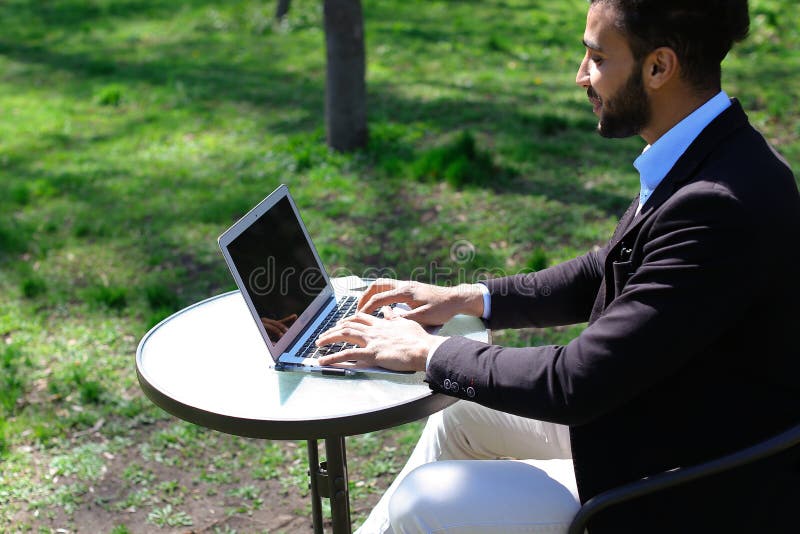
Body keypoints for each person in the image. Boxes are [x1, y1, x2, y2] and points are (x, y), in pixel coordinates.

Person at [316, 1, 800, 532]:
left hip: (679, 483)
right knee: (459, 414)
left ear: (658, 67)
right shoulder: (713, 155)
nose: (580, 77)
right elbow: (608, 268)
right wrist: (468, 298)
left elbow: (577, 381)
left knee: (423, 499)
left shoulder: (717, 205)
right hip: (658, 415)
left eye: (596, 58)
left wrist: (427, 350)